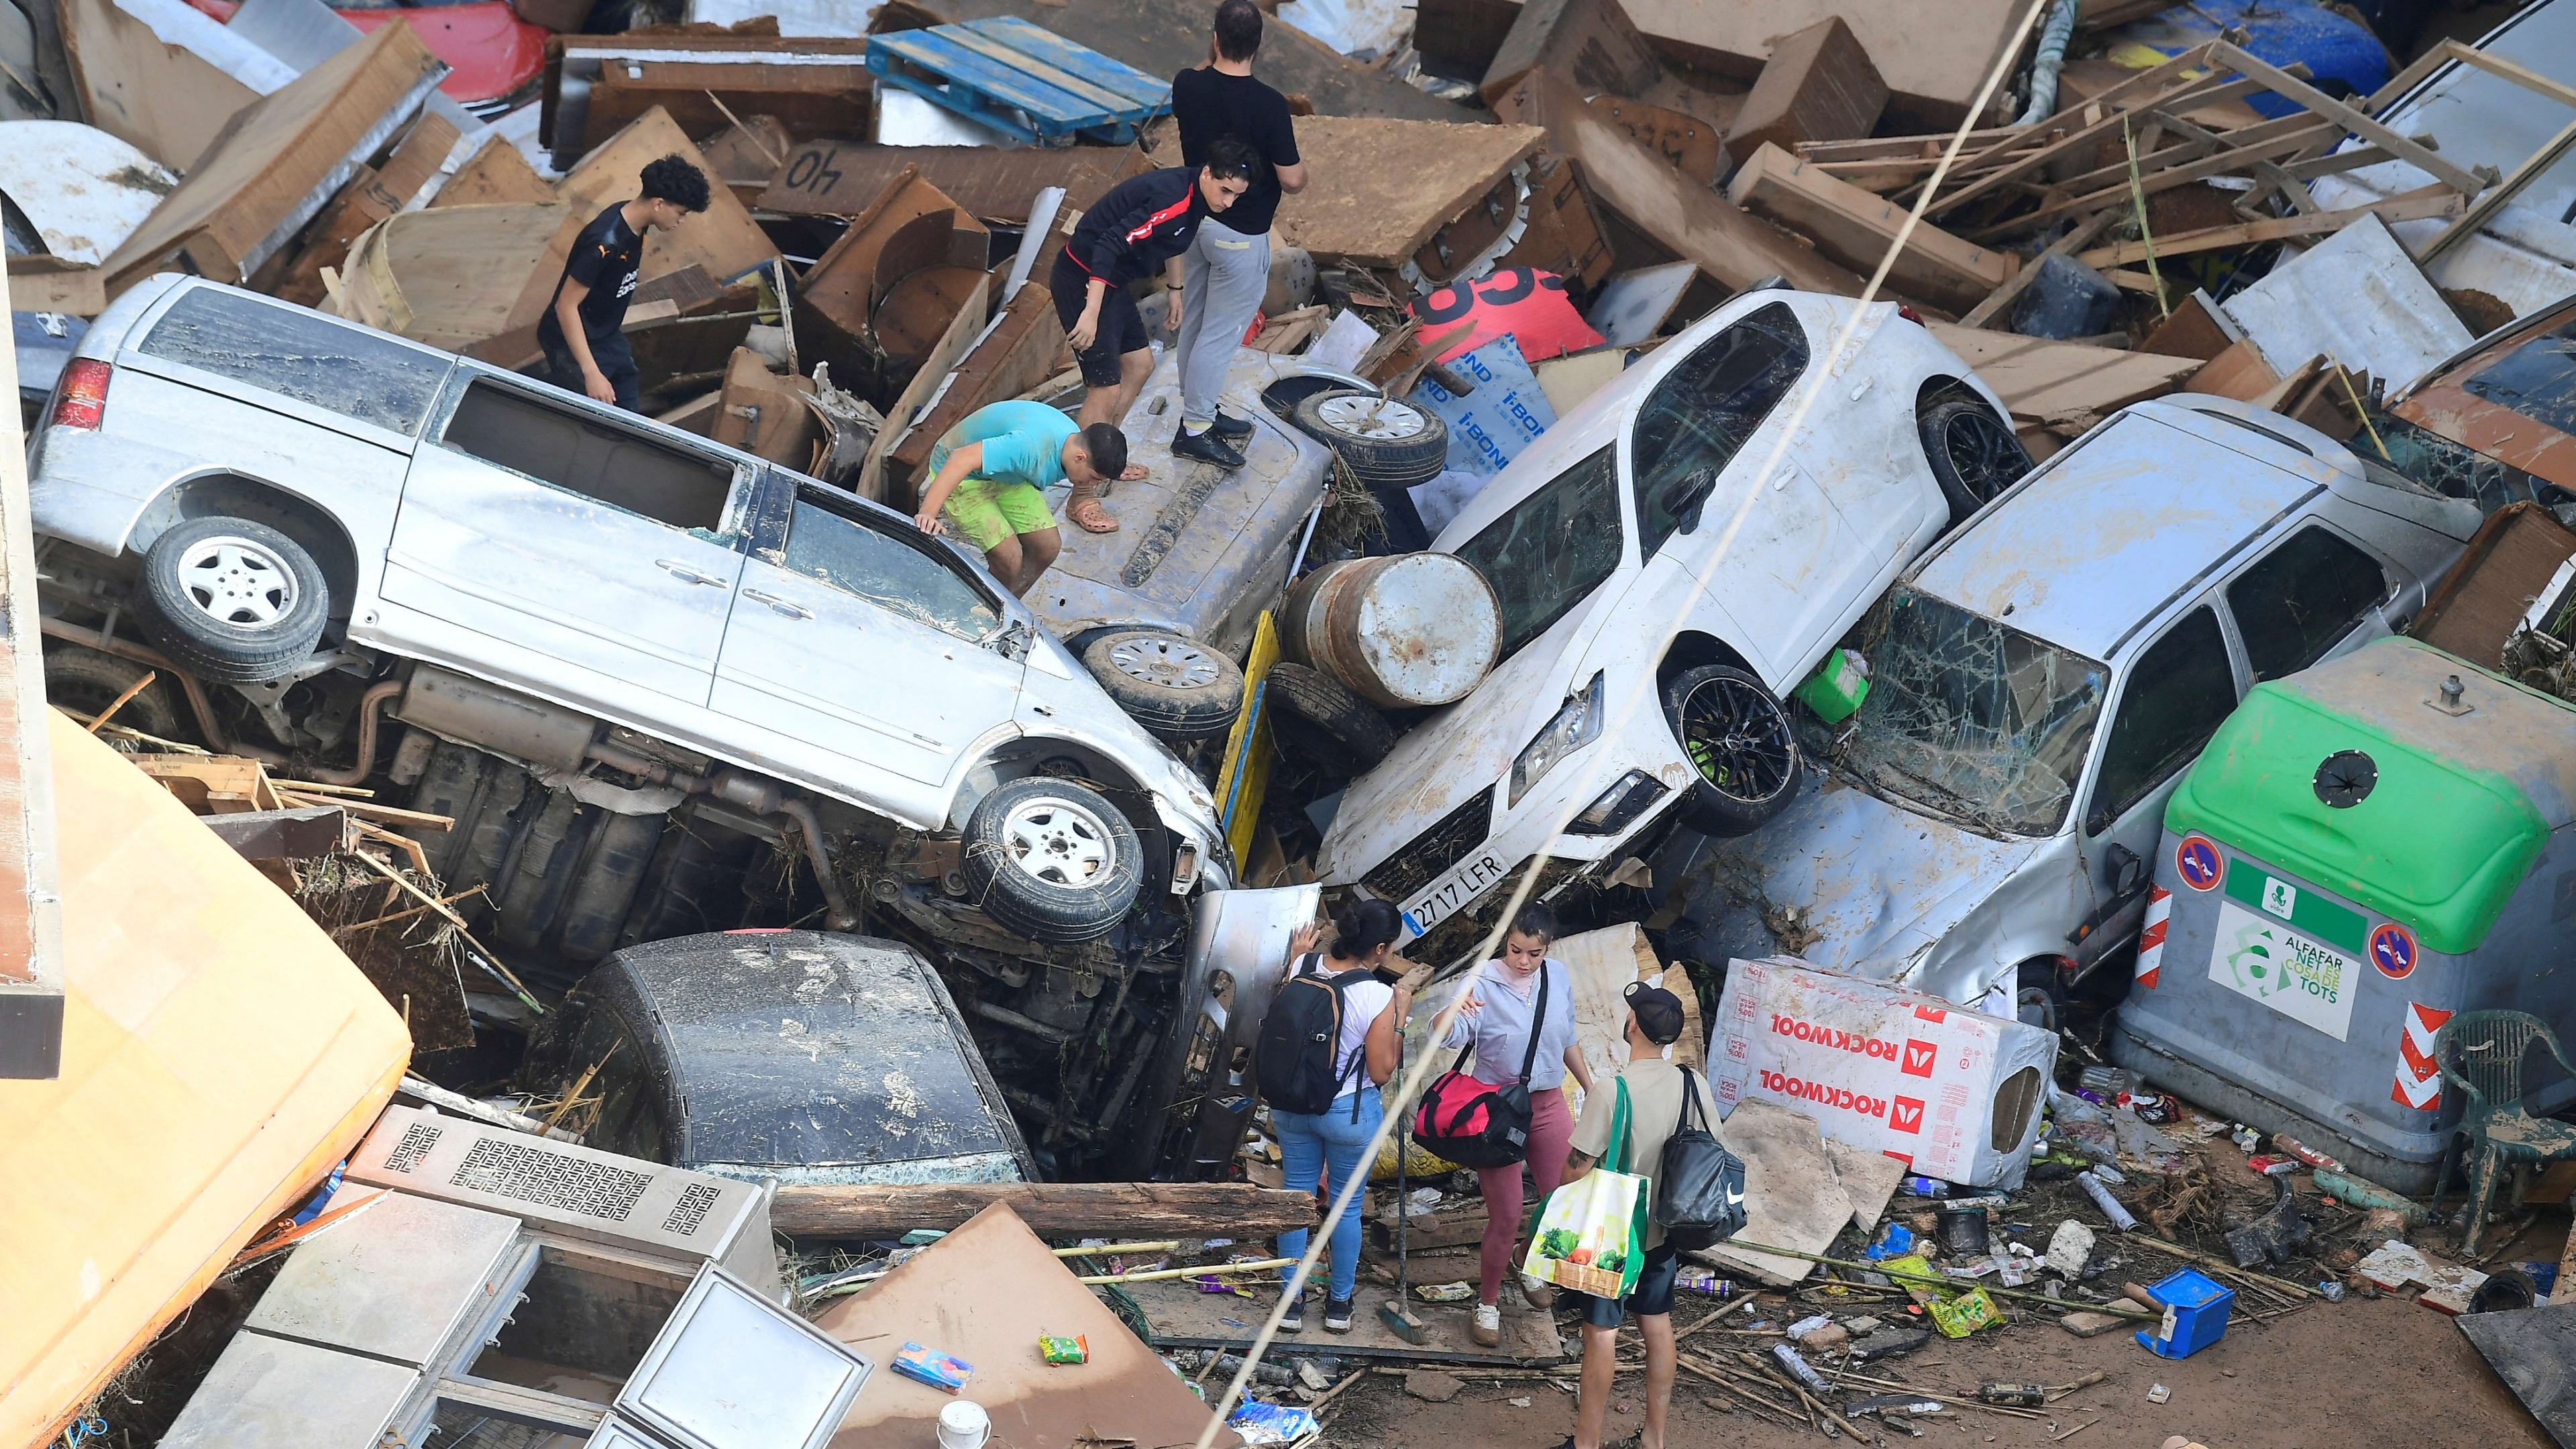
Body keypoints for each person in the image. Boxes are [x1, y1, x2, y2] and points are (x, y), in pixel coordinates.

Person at [1047, 138, 1264, 533]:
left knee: (1141, 365)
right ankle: (1081, 495)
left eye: (1238, 195)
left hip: (1114, 283)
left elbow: (1172, 240)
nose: (1229, 202)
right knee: (1104, 388)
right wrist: (1090, 312)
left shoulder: (1196, 199)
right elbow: (1110, 244)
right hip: (1084, 277)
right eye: (1225, 190)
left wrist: (1176, 291)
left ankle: (1106, 456)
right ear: (1206, 173)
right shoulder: (1173, 198)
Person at [1558, 981, 1715, 1449]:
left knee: (1602, 1333)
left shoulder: (1613, 1090)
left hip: (1612, 1235)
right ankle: (1654, 1439)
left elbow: (1577, 1166)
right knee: (1658, 1324)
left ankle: (1586, 1443)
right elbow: (1712, 1145)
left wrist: (1559, 1203)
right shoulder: (1692, 1083)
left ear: (1633, 1027)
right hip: (1664, 1229)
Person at [1443, 901, 1594, 1347]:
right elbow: (1448, 1034)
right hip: (1496, 1109)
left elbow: (1566, 1037)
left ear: (1548, 949)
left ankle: (1526, 1258)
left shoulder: (1558, 977)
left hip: (1549, 1102)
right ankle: (1487, 1303)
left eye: (1535, 953)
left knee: (1563, 1200)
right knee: (1506, 1213)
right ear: (1503, 942)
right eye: (1515, 951)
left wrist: (1592, 1085)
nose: (1524, 962)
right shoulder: (1482, 981)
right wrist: (1450, 1014)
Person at [1166, 0, 1306, 470]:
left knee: (1198, 322)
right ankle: (1197, 428)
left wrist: (1215, 52)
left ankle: (1197, 412)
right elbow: (1291, 178)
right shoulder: (1269, 104)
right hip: (1240, 233)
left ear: (1214, 39)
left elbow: (1207, 74)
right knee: (1220, 335)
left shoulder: (1187, 84)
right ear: (1260, 45)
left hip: (1195, 221)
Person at [1271, 898, 1419, 1335]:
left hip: (1292, 1107)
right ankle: (1338, 1306)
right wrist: (1400, 1019)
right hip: (1347, 1115)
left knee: (1294, 1199)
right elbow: (1381, 1071)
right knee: (1346, 1208)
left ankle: (1290, 1303)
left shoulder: (1302, 968)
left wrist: (1298, 954)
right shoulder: (1376, 996)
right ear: (1379, 949)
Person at [539, 155, 710, 412]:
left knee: (627, 396)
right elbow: (565, 306)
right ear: (659, 204)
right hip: (573, 341)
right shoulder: (604, 243)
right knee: (595, 415)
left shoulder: (637, 224)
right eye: (681, 213)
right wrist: (591, 373)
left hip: (605, 334)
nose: (681, 221)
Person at [912, 400, 1126, 596]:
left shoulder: (1071, 444)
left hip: (1008, 475)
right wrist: (928, 513)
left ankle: (1009, 601)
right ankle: (978, 610)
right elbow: (960, 459)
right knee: (1009, 558)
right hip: (964, 475)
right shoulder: (1028, 448)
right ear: (1081, 458)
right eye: (1093, 478)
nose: (1092, 486)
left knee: (1048, 548)